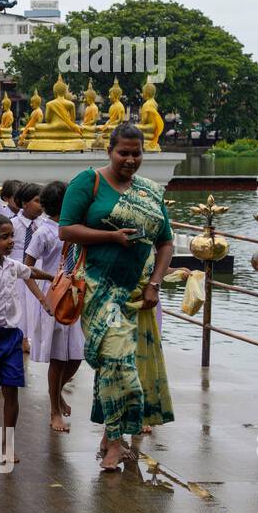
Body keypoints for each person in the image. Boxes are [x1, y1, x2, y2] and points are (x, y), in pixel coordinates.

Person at [58, 123, 175, 472]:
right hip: (96, 289)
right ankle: (116, 439)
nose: (130, 159)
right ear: (110, 151)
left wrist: (155, 283)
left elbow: (166, 241)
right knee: (120, 363)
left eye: (136, 153)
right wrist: (111, 237)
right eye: (123, 152)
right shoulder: (88, 182)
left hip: (134, 292)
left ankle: (112, 440)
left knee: (112, 366)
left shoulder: (149, 192)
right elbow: (66, 229)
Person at [0, 214, 51, 459]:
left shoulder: (11, 265)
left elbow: (30, 271)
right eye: (4, 237)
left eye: (12, 236)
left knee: (12, 389)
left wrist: (55, 278)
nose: (11, 241)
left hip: (12, 337)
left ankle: (7, 444)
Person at [25, 180, 86, 433]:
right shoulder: (44, 233)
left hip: (77, 295)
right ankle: (54, 410)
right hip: (55, 298)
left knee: (77, 356)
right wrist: (42, 299)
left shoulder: (77, 230)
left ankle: (58, 391)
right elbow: (26, 269)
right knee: (59, 358)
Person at [10, 182, 44, 354]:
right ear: (24, 204)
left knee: (35, 305)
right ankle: (21, 339)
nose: (41, 205)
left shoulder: (44, 225)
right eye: (37, 201)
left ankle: (35, 338)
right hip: (17, 271)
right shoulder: (12, 225)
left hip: (37, 269)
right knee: (19, 305)